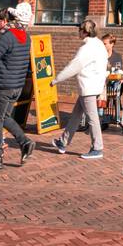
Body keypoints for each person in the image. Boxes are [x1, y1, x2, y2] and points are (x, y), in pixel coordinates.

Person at [0, 4, 35, 169]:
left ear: (10, 21)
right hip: (16, 86)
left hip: (3, 85)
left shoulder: (6, 37)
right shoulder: (26, 37)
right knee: (3, 117)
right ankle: (25, 142)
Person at [51, 18, 109, 159]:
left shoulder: (86, 48)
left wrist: (56, 80)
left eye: (79, 30)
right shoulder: (99, 44)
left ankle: (97, 148)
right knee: (76, 115)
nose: (78, 32)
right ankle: (63, 142)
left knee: (92, 118)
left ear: (84, 32)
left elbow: (73, 66)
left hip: (88, 87)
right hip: (94, 85)